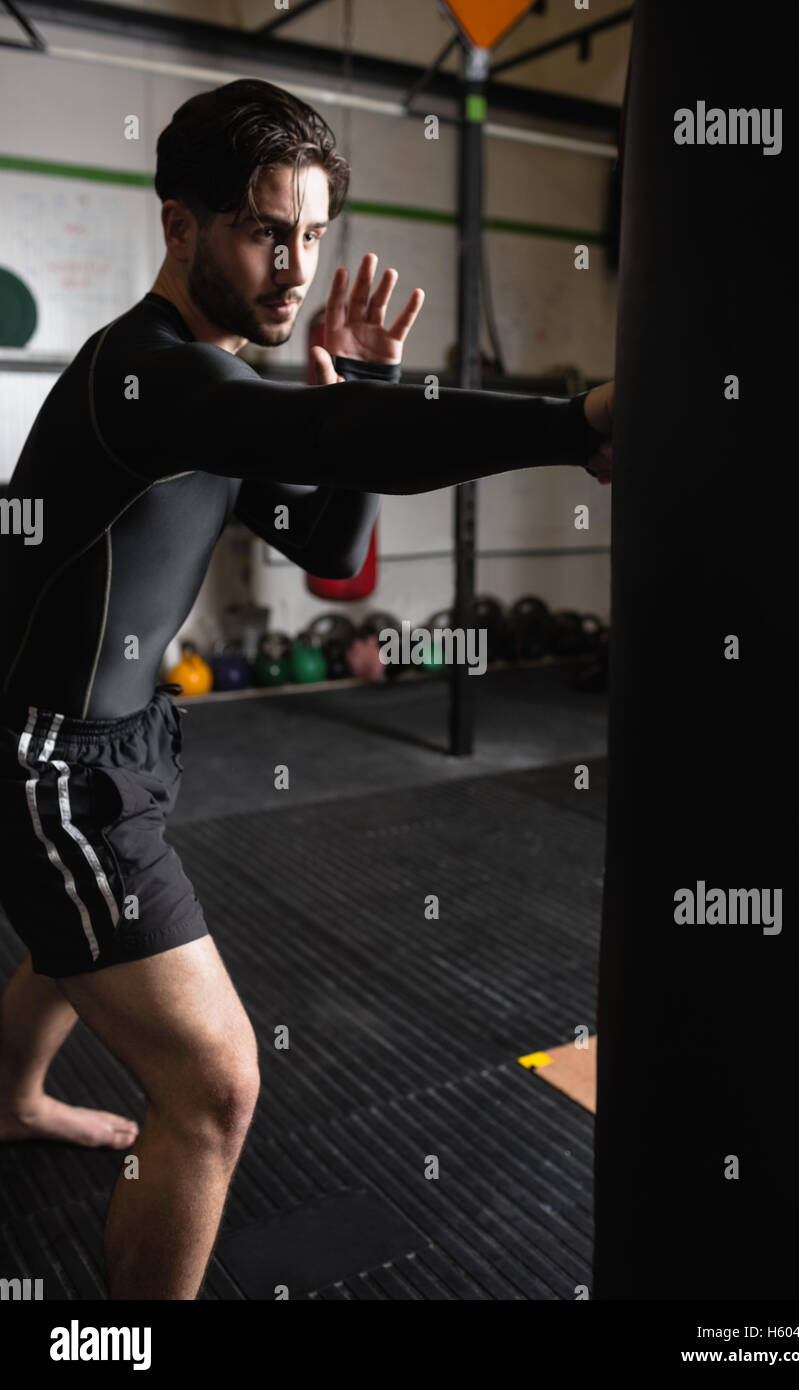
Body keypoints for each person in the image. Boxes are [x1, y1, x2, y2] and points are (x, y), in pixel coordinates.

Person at [0, 78, 614, 1300]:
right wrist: (577, 418)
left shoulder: (216, 385)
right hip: (48, 767)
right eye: (267, 232)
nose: (295, 268)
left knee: (79, 947)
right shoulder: (150, 377)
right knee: (218, 1083)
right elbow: (331, 448)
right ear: (179, 226)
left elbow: (330, 550)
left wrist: (368, 388)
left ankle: (11, 1098)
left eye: (315, 234)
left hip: (116, 746)